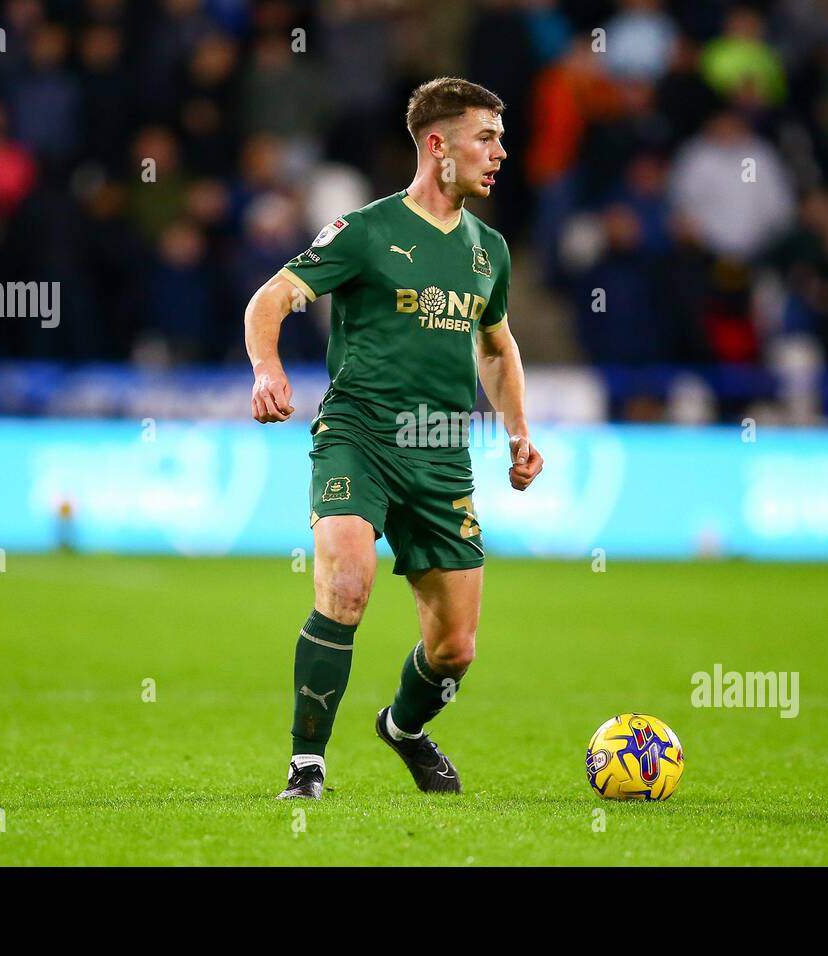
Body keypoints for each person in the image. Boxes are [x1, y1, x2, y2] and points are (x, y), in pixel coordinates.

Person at [243, 77, 543, 799]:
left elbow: (496, 349)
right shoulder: (366, 232)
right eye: (486, 137)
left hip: (442, 447)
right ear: (437, 146)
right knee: (347, 582)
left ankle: (404, 729)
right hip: (360, 431)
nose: (500, 152)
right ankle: (306, 766)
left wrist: (518, 432)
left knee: (454, 650)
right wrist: (266, 368)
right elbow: (271, 298)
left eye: (501, 137)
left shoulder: (488, 251)